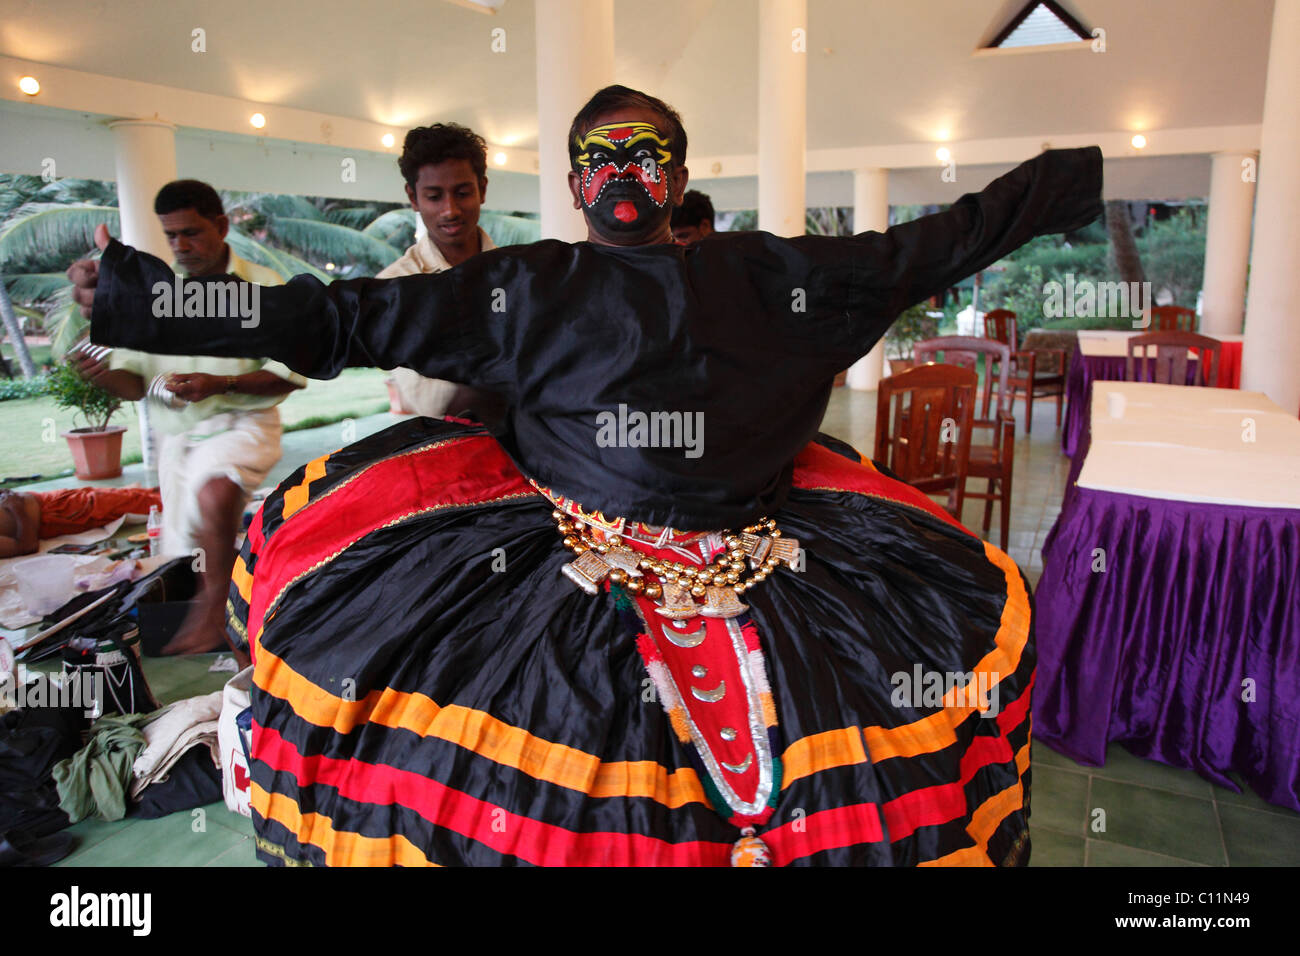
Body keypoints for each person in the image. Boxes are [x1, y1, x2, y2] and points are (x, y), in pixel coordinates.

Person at [71, 85, 1102, 867]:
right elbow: (334, 318)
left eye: (642, 155)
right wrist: (153, 305)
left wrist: (1060, 180)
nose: (619, 174)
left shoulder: (770, 275)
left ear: (677, 173)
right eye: (598, 159)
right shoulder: (529, 285)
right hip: (562, 559)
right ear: (571, 184)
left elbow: (939, 242)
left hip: (768, 555)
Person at [70, 180, 305, 659]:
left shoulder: (262, 286)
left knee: (214, 494)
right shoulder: (159, 295)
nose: (181, 245)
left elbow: (287, 376)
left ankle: (216, 614)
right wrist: (103, 375)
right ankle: (239, 614)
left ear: (221, 226)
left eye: (192, 233)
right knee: (185, 549)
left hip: (245, 422)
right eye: (171, 235)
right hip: (178, 439)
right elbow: (137, 384)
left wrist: (222, 384)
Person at [377, 124, 505, 424]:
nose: (450, 210)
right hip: (451, 448)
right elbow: (430, 399)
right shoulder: (395, 286)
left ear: (482, 189)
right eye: (434, 197)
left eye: (462, 193)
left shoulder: (516, 272)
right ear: (413, 197)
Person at [0, 486, 161, 558]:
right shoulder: (17, 508)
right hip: (56, 514)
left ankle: (165, 491)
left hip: (49, 499)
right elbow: (27, 546)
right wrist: (16, 507)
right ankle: (175, 499)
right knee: (128, 502)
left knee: (119, 495)